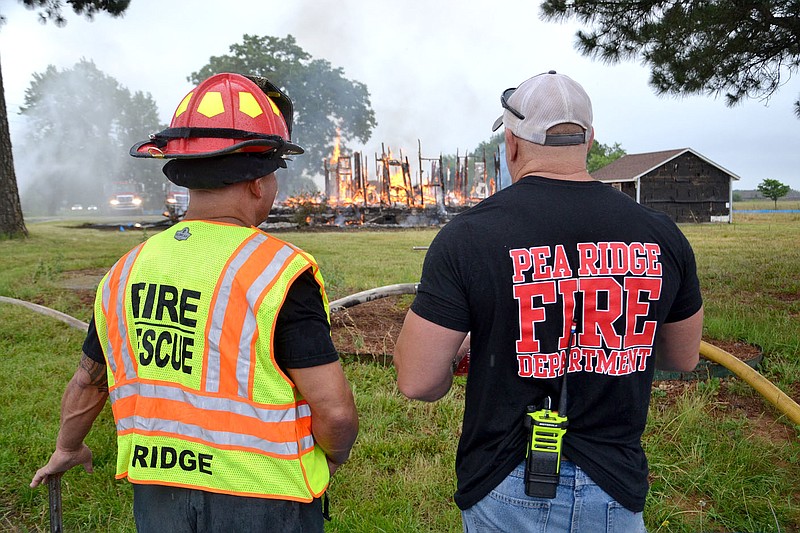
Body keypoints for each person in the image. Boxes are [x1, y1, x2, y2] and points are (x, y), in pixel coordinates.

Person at [30, 73, 359, 532]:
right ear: (258, 182)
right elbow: (336, 412)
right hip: (264, 496)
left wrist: (68, 447)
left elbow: (89, 380)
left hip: (158, 492)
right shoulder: (278, 272)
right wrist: (334, 455)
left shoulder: (125, 271)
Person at [394, 70, 703, 532]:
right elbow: (682, 357)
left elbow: (418, 381)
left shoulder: (469, 236)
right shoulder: (662, 235)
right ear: (590, 140)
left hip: (505, 482)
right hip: (615, 486)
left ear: (512, 144)